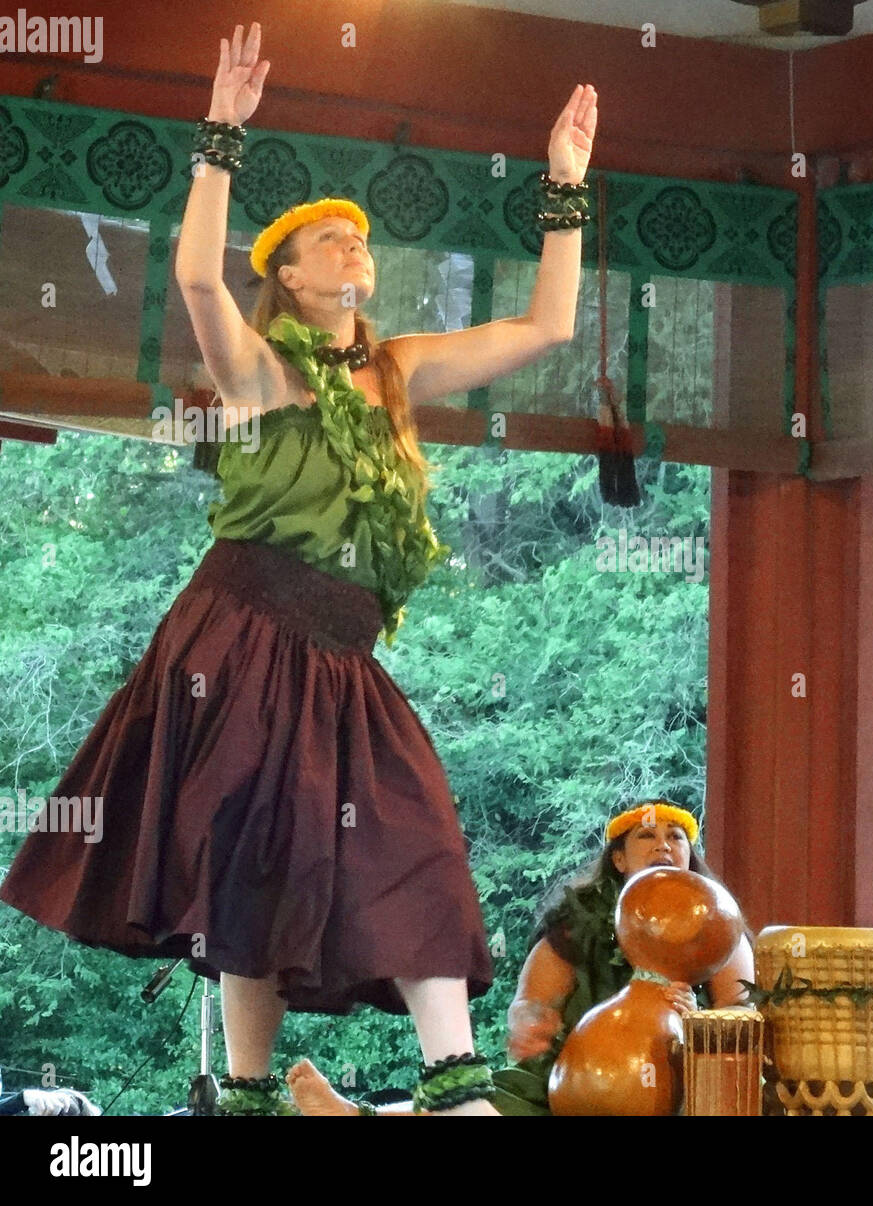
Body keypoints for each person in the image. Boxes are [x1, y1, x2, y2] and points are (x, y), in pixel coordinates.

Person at [0, 21, 598, 1117]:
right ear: (283, 273)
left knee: (414, 833)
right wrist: (219, 138)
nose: (351, 245)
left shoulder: (404, 366)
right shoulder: (268, 373)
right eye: (325, 239)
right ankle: (249, 1092)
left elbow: (552, 326)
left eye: (358, 237)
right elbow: (193, 274)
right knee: (247, 859)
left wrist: (564, 188)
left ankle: (451, 1084)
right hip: (240, 630)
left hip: (342, 648)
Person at [283, 800, 756, 1115]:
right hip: (565, 1075)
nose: (664, 846)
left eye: (676, 837)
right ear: (618, 859)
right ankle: (361, 1115)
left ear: (690, 854)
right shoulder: (577, 922)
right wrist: (530, 1024)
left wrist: (699, 1024)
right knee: (490, 1101)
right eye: (647, 837)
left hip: (676, 1081)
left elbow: (742, 1021)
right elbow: (530, 1003)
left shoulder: (717, 928)